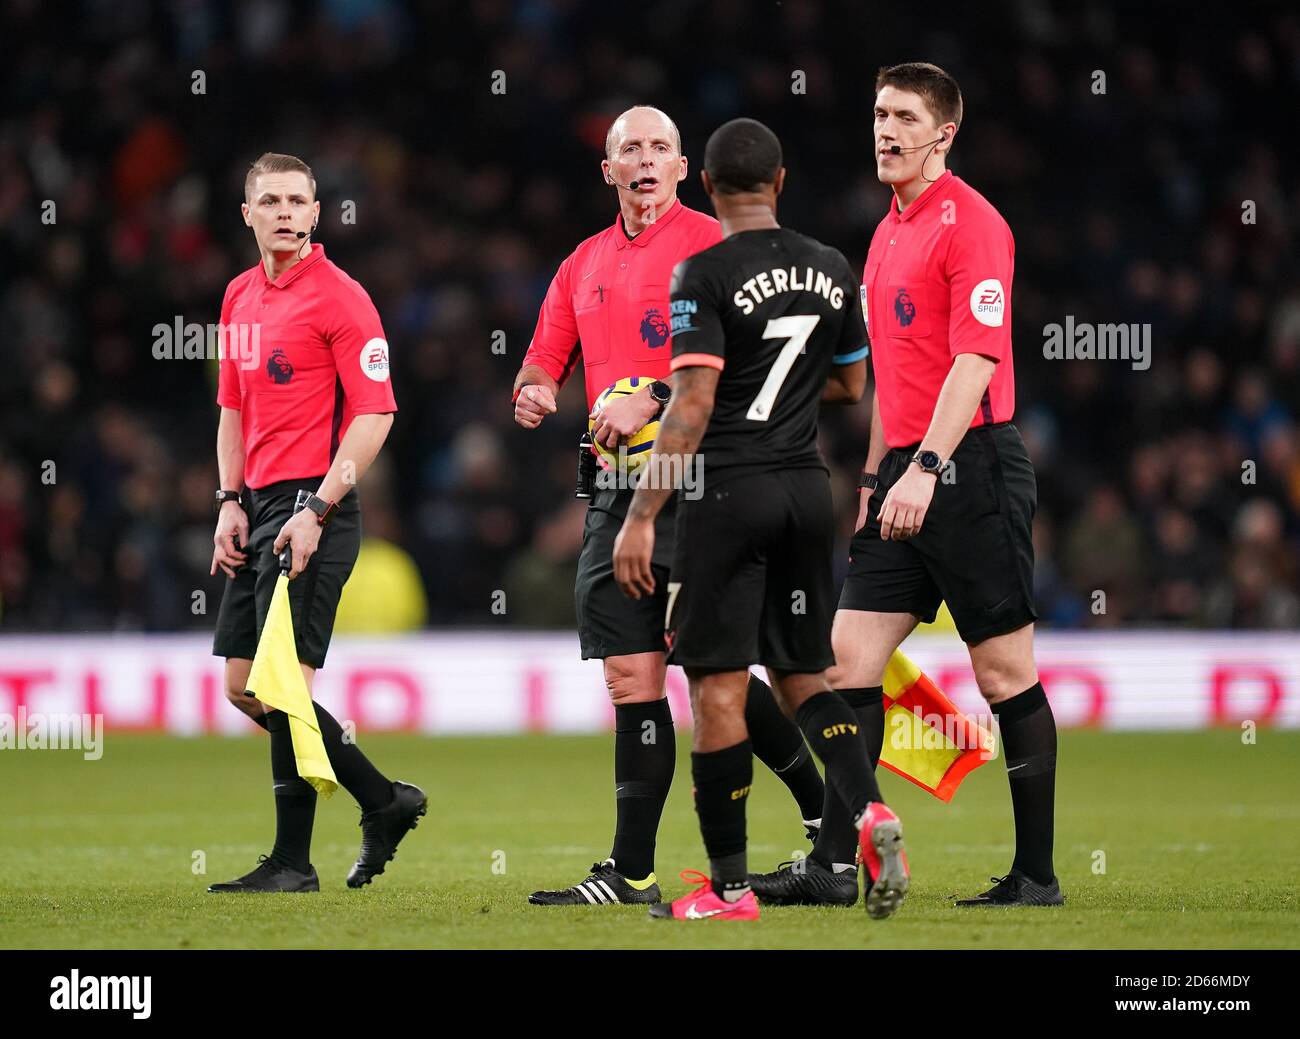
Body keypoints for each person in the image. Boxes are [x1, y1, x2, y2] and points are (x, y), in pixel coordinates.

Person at [760, 62, 1062, 908]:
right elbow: (895, 375)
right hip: (902, 476)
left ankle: (1035, 875)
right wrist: (874, 476)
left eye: (902, 117)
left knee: (1003, 672)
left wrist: (927, 468)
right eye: (878, 114)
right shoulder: (887, 230)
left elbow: (975, 359)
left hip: (972, 472)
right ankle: (835, 860)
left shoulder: (975, 226)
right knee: (844, 662)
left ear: (944, 134)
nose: (884, 130)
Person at [514, 106, 830, 907]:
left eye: (660, 148)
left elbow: (749, 359)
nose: (646, 161)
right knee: (631, 674)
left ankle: (824, 813)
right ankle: (630, 870)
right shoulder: (580, 264)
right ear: (609, 170)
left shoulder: (712, 247)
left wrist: (654, 391)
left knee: (711, 671)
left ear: (685, 168)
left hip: (700, 480)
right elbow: (542, 361)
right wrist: (536, 389)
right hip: (614, 489)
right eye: (630, 150)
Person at [613, 118, 909, 922]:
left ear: (705, 186)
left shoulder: (699, 270)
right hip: (807, 489)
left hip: (729, 492)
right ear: (780, 183)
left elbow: (695, 405)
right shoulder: (830, 266)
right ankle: (871, 813)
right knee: (806, 678)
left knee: (715, 686)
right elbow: (852, 388)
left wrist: (642, 514)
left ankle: (730, 888)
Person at [207, 152, 425, 893]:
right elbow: (232, 409)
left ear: (316, 213)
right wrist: (228, 500)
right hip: (258, 503)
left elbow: (376, 412)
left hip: (315, 503)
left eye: (298, 201)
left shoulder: (342, 298)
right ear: (248, 213)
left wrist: (318, 507)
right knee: (243, 687)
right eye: (269, 200)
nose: (285, 212)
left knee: (278, 684)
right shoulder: (238, 296)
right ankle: (383, 797)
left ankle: (293, 862)